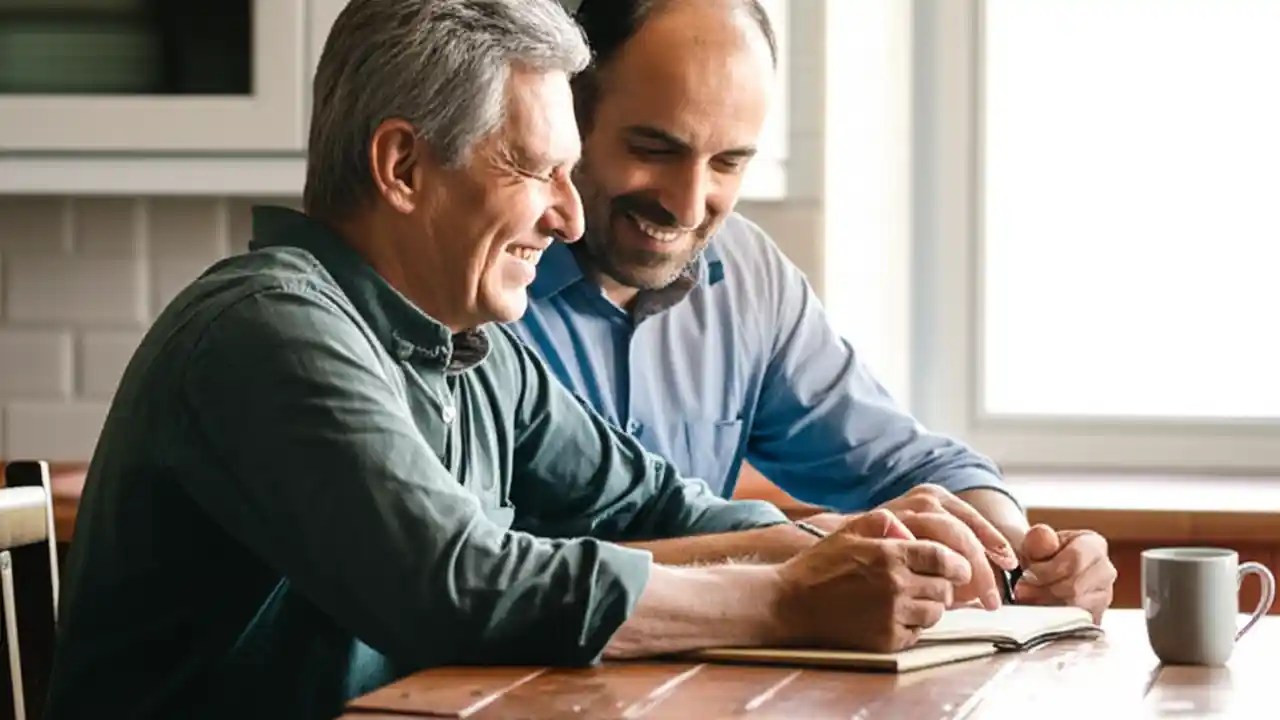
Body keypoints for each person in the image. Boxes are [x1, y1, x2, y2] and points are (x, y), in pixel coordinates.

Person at [44, 2, 993, 718]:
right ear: (404, 167)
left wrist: (835, 546)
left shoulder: (470, 346)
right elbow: (460, 587)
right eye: (538, 170)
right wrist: (789, 599)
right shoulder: (269, 330)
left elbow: (660, 508)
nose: (570, 215)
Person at [513, 0, 1116, 620]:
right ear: (566, 113)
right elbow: (491, 570)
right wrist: (792, 553)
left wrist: (1021, 552)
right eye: (655, 150)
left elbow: (911, 467)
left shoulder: (746, 279)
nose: (690, 206)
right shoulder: (480, 284)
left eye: (728, 162)